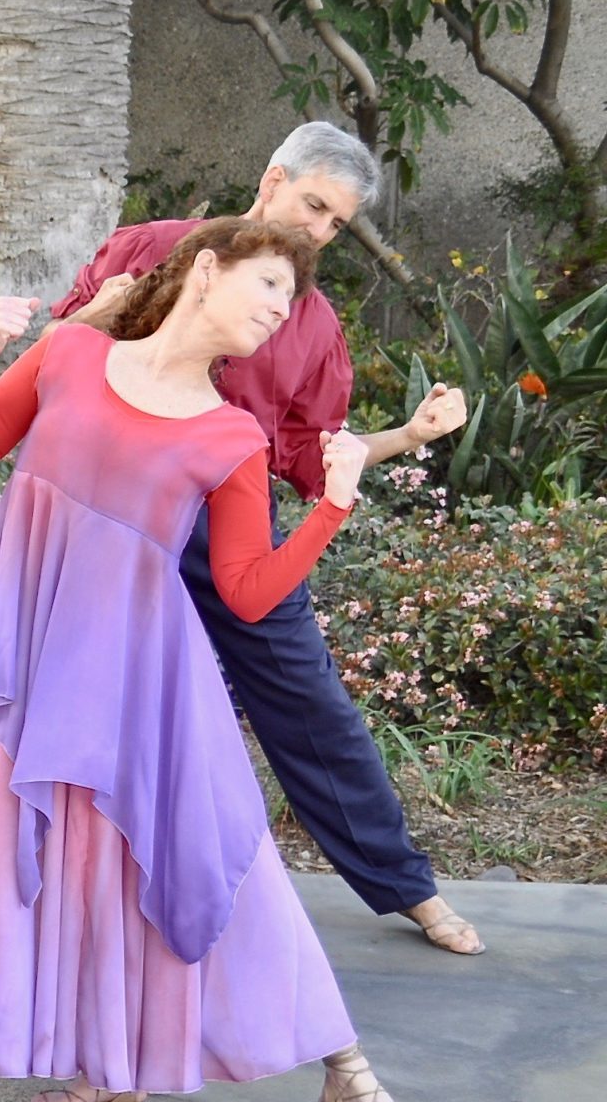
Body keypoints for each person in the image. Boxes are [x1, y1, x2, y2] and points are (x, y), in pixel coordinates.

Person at [0, 220, 439, 1102]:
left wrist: (331, 505)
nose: (278, 312)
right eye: (268, 287)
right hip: (39, 649)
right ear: (206, 270)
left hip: (145, 675)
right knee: (81, 858)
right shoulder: (73, 351)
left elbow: (248, 591)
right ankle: (108, 1062)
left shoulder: (229, 433)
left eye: (291, 303)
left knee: (217, 856)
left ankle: (351, 1075)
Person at [51, 122, 480, 955]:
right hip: (111, 512)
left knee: (310, 702)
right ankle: (59, 893)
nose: (319, 231)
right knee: (77, 691)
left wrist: (407, 436)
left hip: (229, 523)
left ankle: (408, 886)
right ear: (273, 179)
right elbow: (61, 362)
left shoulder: (311, 325)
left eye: (335, 225)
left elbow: (311, 460)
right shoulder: (155, 249)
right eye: (314, 206)